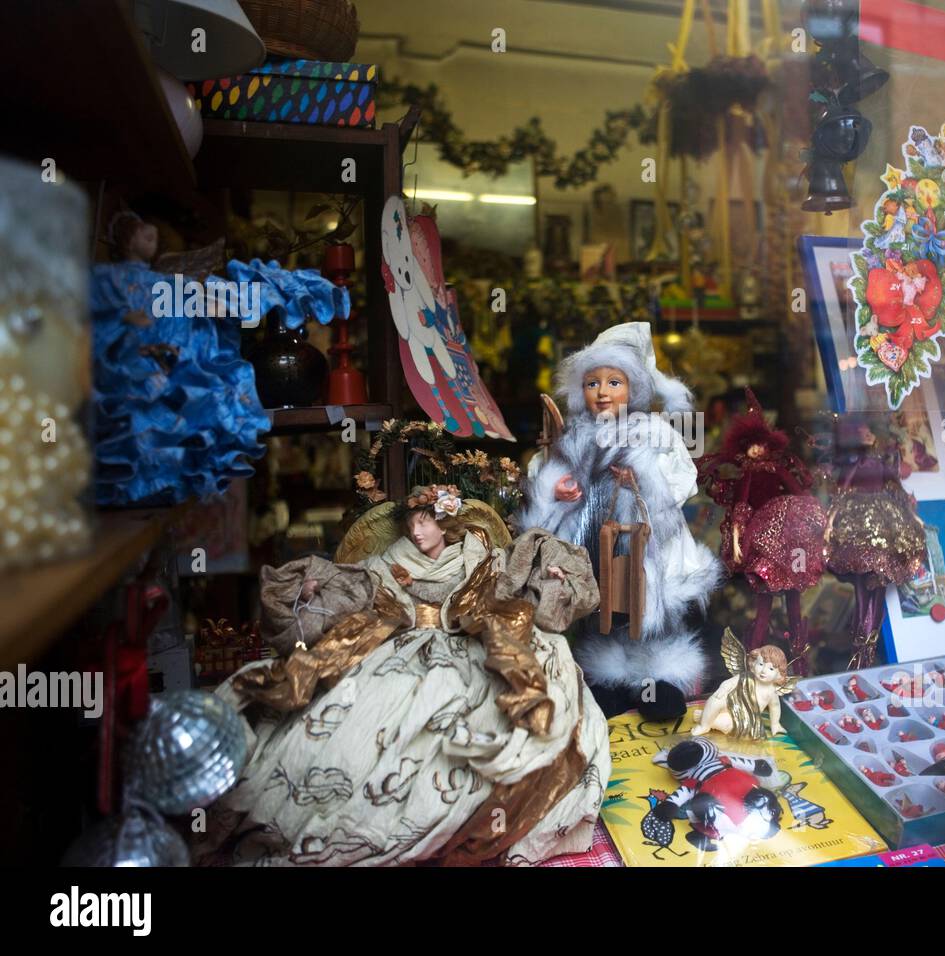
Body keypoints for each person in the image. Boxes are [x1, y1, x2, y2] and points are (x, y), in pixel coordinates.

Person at [194, 486, 610, 866]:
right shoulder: (384, 563)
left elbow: (523, 574)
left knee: (491, 709)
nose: (417, 530)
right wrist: (314, 588)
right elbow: (351, 588)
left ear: (444, 521)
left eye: (425, 520)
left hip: (469, 644)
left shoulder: (479, 557)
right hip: (399, 647)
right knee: (353, 722)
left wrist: (553, 575)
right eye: (411, 522)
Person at [519, 322, 722, 720]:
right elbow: (548, 476)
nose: (603, 392)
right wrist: (558, 492)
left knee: (649, 609)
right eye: (593, 384)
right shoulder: (573, 436)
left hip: (648, 540)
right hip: (597, 535)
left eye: (614, 382)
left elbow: (683, 480)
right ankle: (608, 677)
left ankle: (659, 680)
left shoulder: (652, 433)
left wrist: (644, 482)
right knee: (606, 612)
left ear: (633, 390)